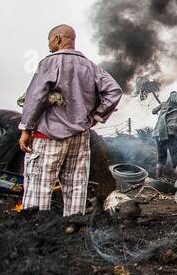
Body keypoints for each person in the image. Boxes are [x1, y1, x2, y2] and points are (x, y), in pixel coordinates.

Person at [17, 24, 123, 218]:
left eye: (50, 40)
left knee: (39, 186)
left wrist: (26, 129)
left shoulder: (49, 63)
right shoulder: (90, 66)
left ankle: (34, 230)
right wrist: (96, 117)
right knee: (76, 186)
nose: (49, 45)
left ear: (57, 39)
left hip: (49, 135)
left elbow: (35, 98)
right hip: (80, 137)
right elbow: (114, 91)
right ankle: (73, 227)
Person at [151, 90, 177, 183]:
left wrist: (160, 105)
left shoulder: (164, 105)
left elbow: (153, 111)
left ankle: (157, 181)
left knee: (160, 159)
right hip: (173, 134)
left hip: (159, 133)